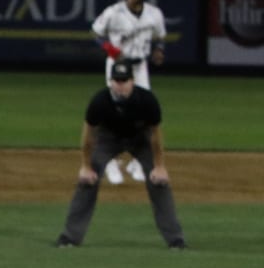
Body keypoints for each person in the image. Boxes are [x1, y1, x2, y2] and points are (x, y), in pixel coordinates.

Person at [56, 61, 187, 249]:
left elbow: (156, 135)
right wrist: (85, 166)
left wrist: (159, 166)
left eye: (124, 81)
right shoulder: (100, 101)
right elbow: (88, 136)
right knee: (87, 181)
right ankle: (69, 237)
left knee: (159, 182)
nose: (120, 85)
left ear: (133, 81)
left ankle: (176, 239)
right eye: (117, 81)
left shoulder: (146, 100)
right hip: (108, 139)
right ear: (110, 82)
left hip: (140, 139)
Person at [91, 0, 166, 186]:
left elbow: (160, 36)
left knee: (144, 109)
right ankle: (111, 160)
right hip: (117, 65)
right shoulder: (113, 12)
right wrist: (108, 48)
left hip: (140, 66)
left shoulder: (154, 14)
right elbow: (96, 32)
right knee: (111, 109)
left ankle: (136, 161)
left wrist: (160, 50)